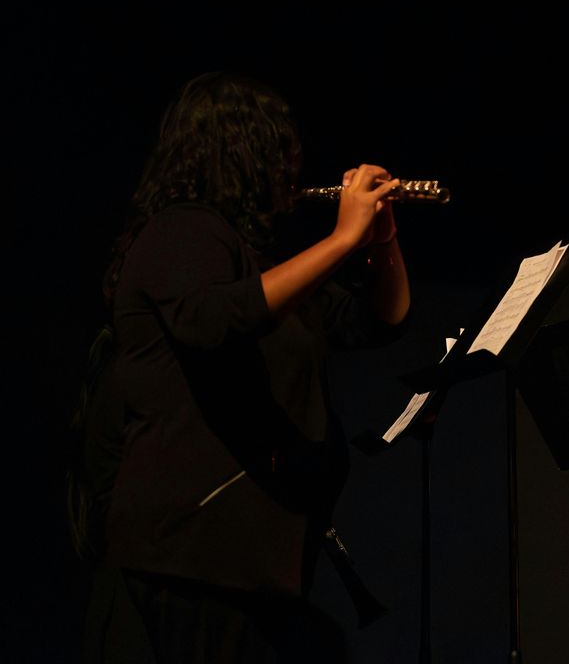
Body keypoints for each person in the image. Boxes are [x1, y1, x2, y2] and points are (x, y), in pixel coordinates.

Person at [95, 71, 411, 663]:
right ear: (239, 154)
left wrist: (380, 239)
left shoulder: (259, 263)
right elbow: (213, 320)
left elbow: (380, 319)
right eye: (277, 154)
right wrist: (343, 239)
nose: (289, 172)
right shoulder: (180, 230)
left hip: (252, 560)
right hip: (190, 552)